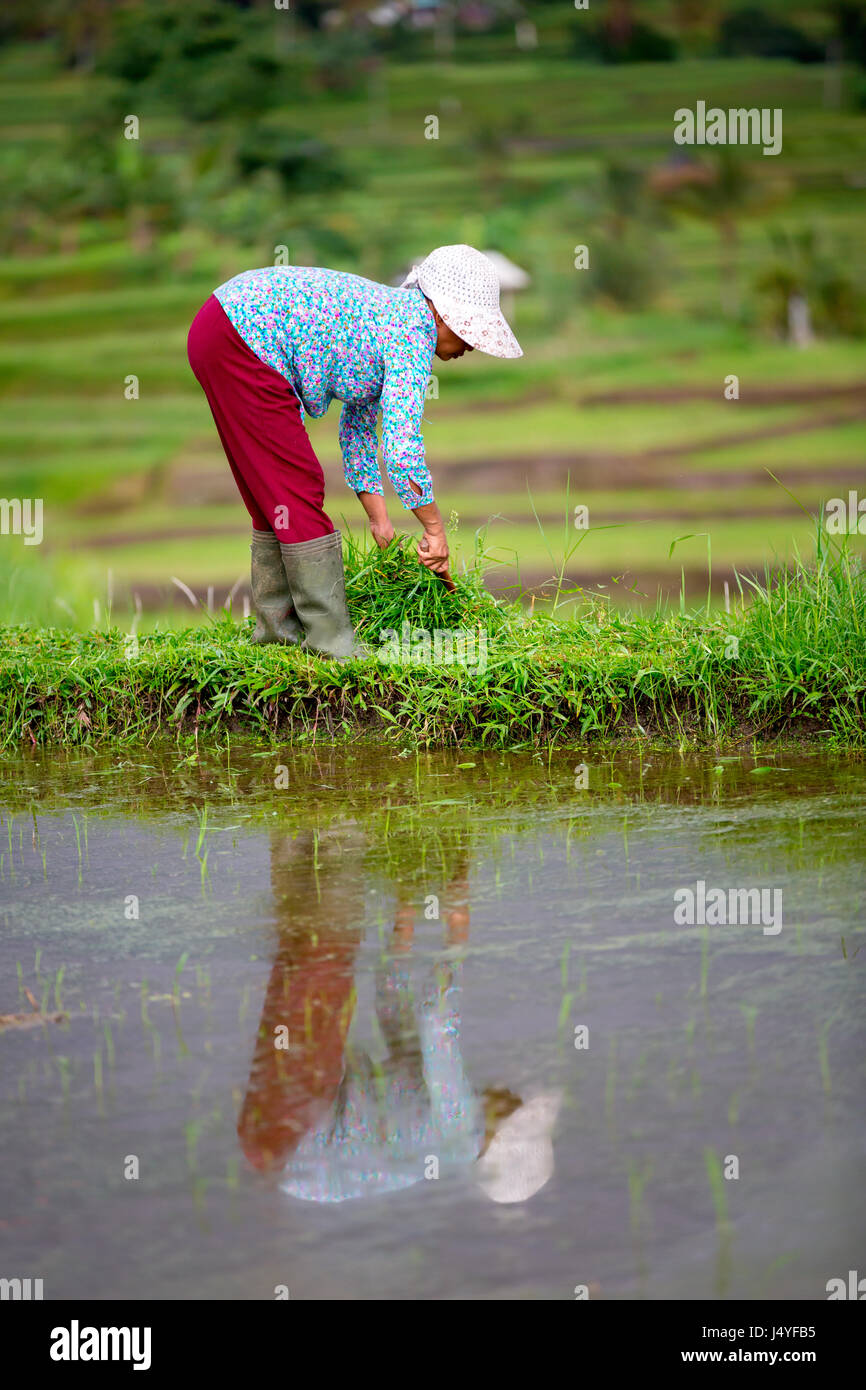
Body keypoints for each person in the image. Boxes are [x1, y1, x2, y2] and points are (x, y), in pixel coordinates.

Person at [187, 245, 522, 660]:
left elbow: (358, 432)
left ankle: (278, 634)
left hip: (221, 327)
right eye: (472, 331)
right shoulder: (412, 337)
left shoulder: (391, 318)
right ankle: (332, 643)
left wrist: (379, 521)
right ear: (443, 313)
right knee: (297, 485)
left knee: (274, 497)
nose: (473, 345)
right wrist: (434, 530)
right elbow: (401, 451)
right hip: (242, 337)